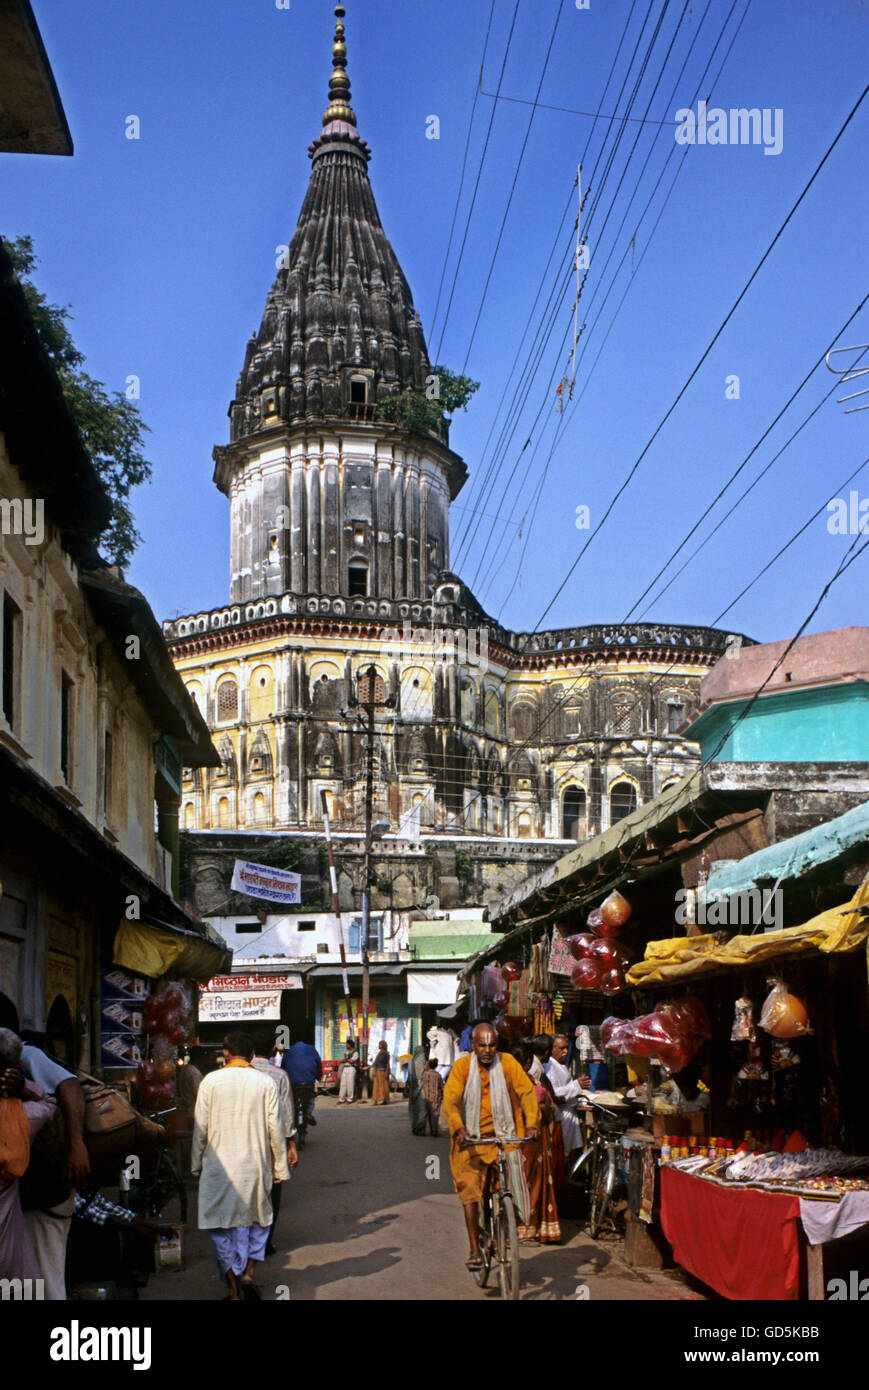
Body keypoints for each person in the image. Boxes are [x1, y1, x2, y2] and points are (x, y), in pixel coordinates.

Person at [0, 993, 90, 1301]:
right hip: (24, 1197)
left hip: (43, 1194)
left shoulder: (27, 1056)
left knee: (45, 1284)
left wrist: (77, 1145)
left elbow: (70, 1085)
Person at [191, 1030, 291, 1300]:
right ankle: (248, 1272)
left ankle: (234, 1291)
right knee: (257, 1223)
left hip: (218, 1169)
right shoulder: (265, 1083)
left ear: (225, 1053)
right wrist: (280, 1167)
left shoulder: (210, 1082)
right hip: (255, 1167)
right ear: (252, 1055)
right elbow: (276, 1128)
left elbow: (200, 1129)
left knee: (222, 1229)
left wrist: (195, 1165)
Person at [442, 1023, 539, 1270]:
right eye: (482, 1045)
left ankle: (508, 1220)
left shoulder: (507, 1063)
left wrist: (532, 1123)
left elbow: (527, 1092)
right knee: (471, 1193)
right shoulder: (462, 1067)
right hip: (472, 1141)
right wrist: (458, 1127)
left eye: (492, 1045)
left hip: (504, 1137)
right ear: (473, 1046)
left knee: (515, 1180)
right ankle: (475, 1249)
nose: (487, 1050)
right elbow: (451, 1101)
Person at [0, 1027, 55, 1284]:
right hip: (8, 1247)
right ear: (18, 1066)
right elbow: (49, 1104)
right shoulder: (24, 1116)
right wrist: (26, 1087)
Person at [251, 1031, 298, 1257]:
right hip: (272, 1141)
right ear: (272, 1050)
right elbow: (287, 1114)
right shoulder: (279, 1075)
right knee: (273, 1190)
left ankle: (247, 1241)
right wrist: (291, 1144)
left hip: (245, 1141)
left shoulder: (236, 1074)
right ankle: (266, 1240)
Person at [512, 1044, 562, 1244]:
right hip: (531, 1136)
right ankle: (528, 1229)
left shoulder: (506, 1082)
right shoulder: (528, 1083)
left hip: (516, 1137)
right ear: (527, 1064)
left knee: (519, 1182)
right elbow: (549, 1107)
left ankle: (519, 1227)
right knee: (531, 1183)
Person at [544, 1032, 589, 1159]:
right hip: (561, 1116)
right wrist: (576, 1085)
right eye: (562, 1048)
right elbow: (554, 1093)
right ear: (552, 1049)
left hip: (568, 1114)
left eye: (567, 1048)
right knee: (560, 1153)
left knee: (569, 1152)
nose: (565, 1051)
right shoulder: (549, 1066)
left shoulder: (560, 1065)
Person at [281, 1036, 322, 1126]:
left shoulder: (288, 1050)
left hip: (293, 1083)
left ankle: (291, 1116)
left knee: (290, 1100)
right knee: (311, 1097)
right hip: (308, 1082)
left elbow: (283, 1067)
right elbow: (318, 1064)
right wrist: (319, 1077)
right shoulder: (311, 1049)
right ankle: (308, 1113)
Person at [407, 1040, 429, 1135]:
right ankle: (420, 1128)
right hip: (420, 1087)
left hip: (413, 1087)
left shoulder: (412, 1060)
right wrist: (423, 1085)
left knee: (414, 1108)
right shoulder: (421, 1059)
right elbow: (420, 1074)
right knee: (422, 1108)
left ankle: (414, 1126)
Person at [420, 1058, 444, 1136]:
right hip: (435, 1097)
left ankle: (422, 1130)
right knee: (434, 1114)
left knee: (425, 1114)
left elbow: (421, 1083)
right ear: (436, 1066)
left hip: (425, 1096)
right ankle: (434, 1131)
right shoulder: (438, 1075)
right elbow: (441, 1087)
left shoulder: (424, 1074)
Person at [337, 1038, 358, 1104]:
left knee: (350, 1083)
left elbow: (352, 1061)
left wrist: (346, 1060)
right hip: (345, 1068)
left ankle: (350, 1099)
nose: (346, 1045)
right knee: (343, 1084)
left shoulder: (355, 1052)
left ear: (350, 1045)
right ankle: (341, 1099)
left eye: (347, 1044)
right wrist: (346, 1059)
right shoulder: (346, 1052)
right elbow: (343, 1060)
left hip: (351, 1068)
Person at [371, 1039, 390, 1105]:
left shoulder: (386, 1054)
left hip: (382, 1071)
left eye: (380, 1044)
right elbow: (375, 1063)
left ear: (383, 1046)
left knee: (383, 1086)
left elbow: (387, 1064)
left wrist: (387, 1072)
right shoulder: (379, 1053)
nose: (378, 1046)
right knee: (376, 1086)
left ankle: (384, 1100)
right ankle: (375, 1100)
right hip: (377, 1071)